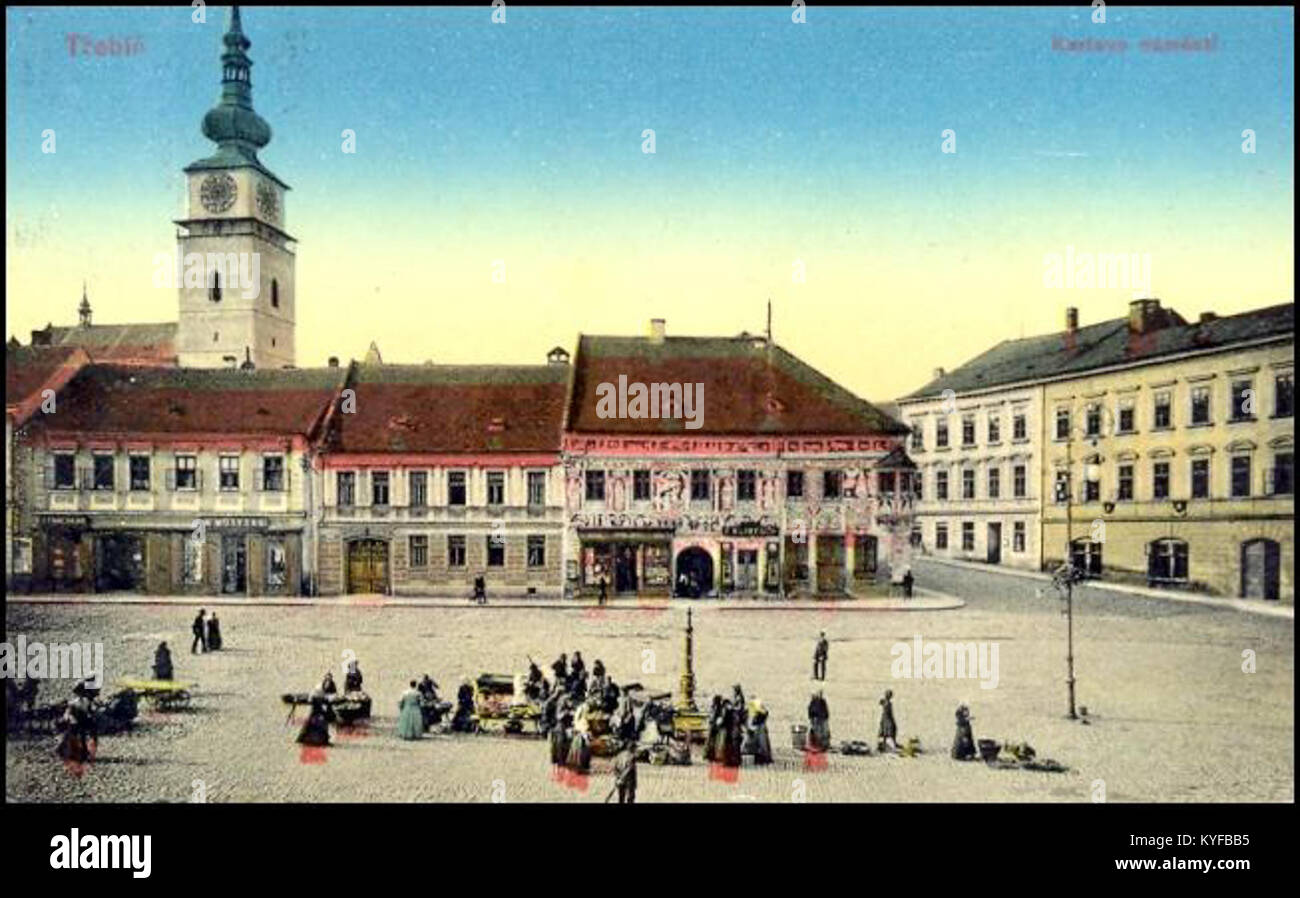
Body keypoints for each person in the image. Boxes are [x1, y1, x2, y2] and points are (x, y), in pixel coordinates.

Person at [57, 680, 97, 763]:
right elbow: (69, 712)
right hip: (75, 722)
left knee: (80, 738)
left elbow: (89, 712)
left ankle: (82, 753)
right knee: (73, 737)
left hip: (81, 721)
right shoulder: (75, 702)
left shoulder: (83, 701)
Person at [745, 699, 773, 765]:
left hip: (759, 731)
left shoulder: (758, 715)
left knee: (761, 746)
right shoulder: (759, 714)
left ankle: (762, 759)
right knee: (761, 746)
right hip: (759, 731)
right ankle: (762, 759)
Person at [566, 703, 592, 772]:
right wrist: (587, 739)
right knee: (581, 754)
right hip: (581, 739)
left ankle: (577, 766)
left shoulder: (579, 720)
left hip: (578, 738)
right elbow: (584, 731)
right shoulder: (583, 721)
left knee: (576, 753)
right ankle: (581, 767)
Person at [551, 696, 574, 765]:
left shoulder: (572, 707)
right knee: (560, 741)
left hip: (569, 726)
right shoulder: (560, 706)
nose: (570, 703)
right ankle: (560, 759)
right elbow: (558, 717)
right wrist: (566, 713)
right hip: (561, 726)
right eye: (568, 701)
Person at [721, 700, 743, 767]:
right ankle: (736, 761)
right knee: (736, 748)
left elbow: (724, 722)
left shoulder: (727, 711)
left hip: (730, 732)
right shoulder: (736, 712)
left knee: (729, 747)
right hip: (736, 732)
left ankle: (730, 762)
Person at [704, 695, 725, 762]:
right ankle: (713, 755)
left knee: (711, 741)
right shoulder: (719, 708)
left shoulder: (714, 707)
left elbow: (712, 717)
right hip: (715, 726)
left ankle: (709, 755)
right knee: (716, 742)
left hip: (712, 726)